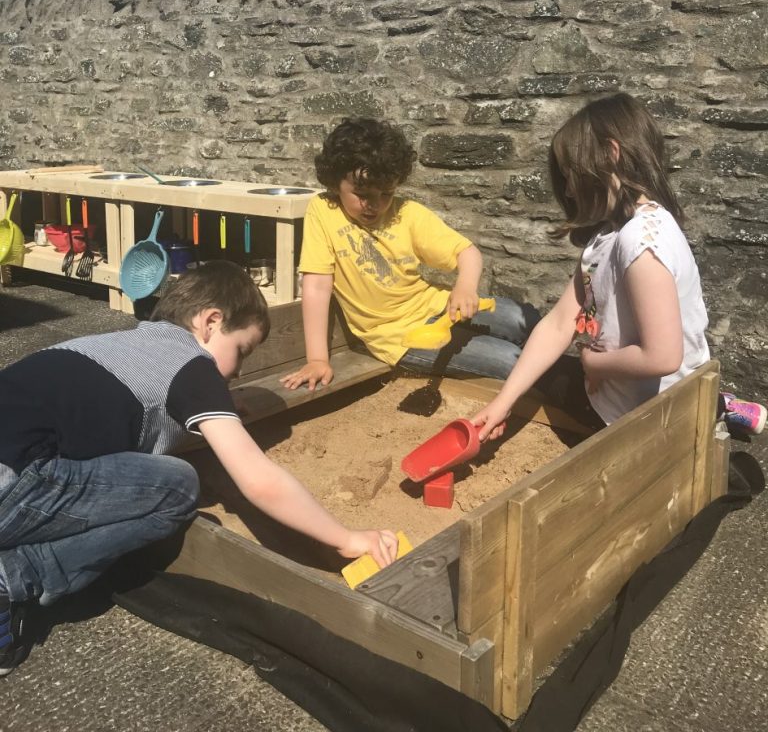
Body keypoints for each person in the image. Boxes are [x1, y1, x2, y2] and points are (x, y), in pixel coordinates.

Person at [0, 261, 397, 676]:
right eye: (241, 351)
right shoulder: (191, 366)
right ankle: (14, 576)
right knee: (177, 485)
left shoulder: (118, 343)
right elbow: (258, 481)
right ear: (210, 322)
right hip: (14, 484)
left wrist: (218, 402)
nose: (238, 370)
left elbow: (131, 401)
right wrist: (346, 538)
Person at [472, 93, 767, 442]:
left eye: (571, 174)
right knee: (534, 370)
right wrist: (504, 402)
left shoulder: (640, 242)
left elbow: (662, 357)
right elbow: (557, 323)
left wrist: (593, 362)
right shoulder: (610, 234)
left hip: (648, 415)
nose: (568, 188)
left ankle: (715, 419)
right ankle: (720, 406)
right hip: (617, 394)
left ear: (611, 154)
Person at [280, 117, 538, 393]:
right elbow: (317, 286)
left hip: (437, 307)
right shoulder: (323, 211)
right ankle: (570, 390)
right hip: (398, 337)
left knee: (522, 319)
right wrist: (317, 359)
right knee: (509, 360)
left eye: (386, 193)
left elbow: (467, 252)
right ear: (335, 183)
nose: (375, 205)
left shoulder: (407, 213)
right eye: (362, 193)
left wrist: (465, 287)